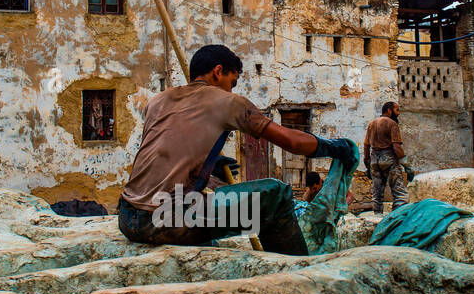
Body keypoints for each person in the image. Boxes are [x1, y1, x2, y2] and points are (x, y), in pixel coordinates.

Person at [118, 44, 355, 254]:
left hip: (128, 218)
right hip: (166, 220)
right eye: (232, 82)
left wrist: (208, 169)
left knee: (211, 203)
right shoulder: (228, 102)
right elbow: (292, 142)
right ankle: (295, 269)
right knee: (275, 194)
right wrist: (333, 148)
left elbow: (165, 157)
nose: (231, 90)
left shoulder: (158, 100)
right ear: (218, 71)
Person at [363, 101, 408, 212]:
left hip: (374, 160)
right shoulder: (392, 124)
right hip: (389, 159)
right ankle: (398, 217)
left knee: (377, 194)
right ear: (389, 110)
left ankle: (377, 216)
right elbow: (396, 147)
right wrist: (407, 165)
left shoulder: (372, 123)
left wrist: (368, 164)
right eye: (397, 110)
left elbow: (366, 145)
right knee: (400, 194)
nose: (398, 113)